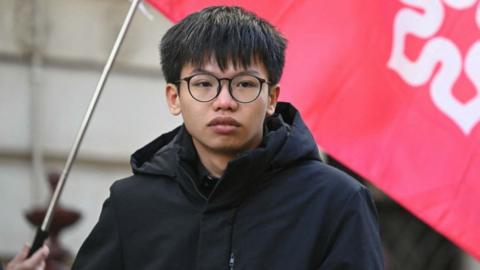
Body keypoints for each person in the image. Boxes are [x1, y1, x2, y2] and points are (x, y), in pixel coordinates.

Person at [72, 6, 384, 270]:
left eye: (245, 84)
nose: (225, 101)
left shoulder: (336, 201)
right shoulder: (132, 204)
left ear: (272, 98)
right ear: (174, 97)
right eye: (204, 83)